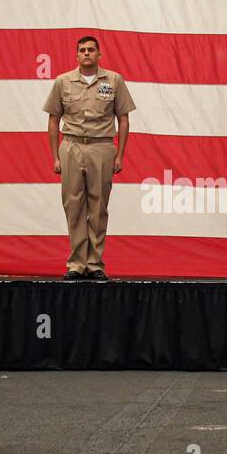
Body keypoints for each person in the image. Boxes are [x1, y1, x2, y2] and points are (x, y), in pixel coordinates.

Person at [44, 35, 136, 280]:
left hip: (102, 147)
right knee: (73, 205)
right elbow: (53, 119)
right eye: (82, 50)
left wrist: (120, 155)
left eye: (91, 50)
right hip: (72, 145)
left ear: (99, 54)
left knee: (98, 207)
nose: (86, 53)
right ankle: (76, 264)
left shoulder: (113, 80)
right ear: (76, 55)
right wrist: (55, 156)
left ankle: (95, 264)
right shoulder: (63, 81)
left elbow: (124, 118)